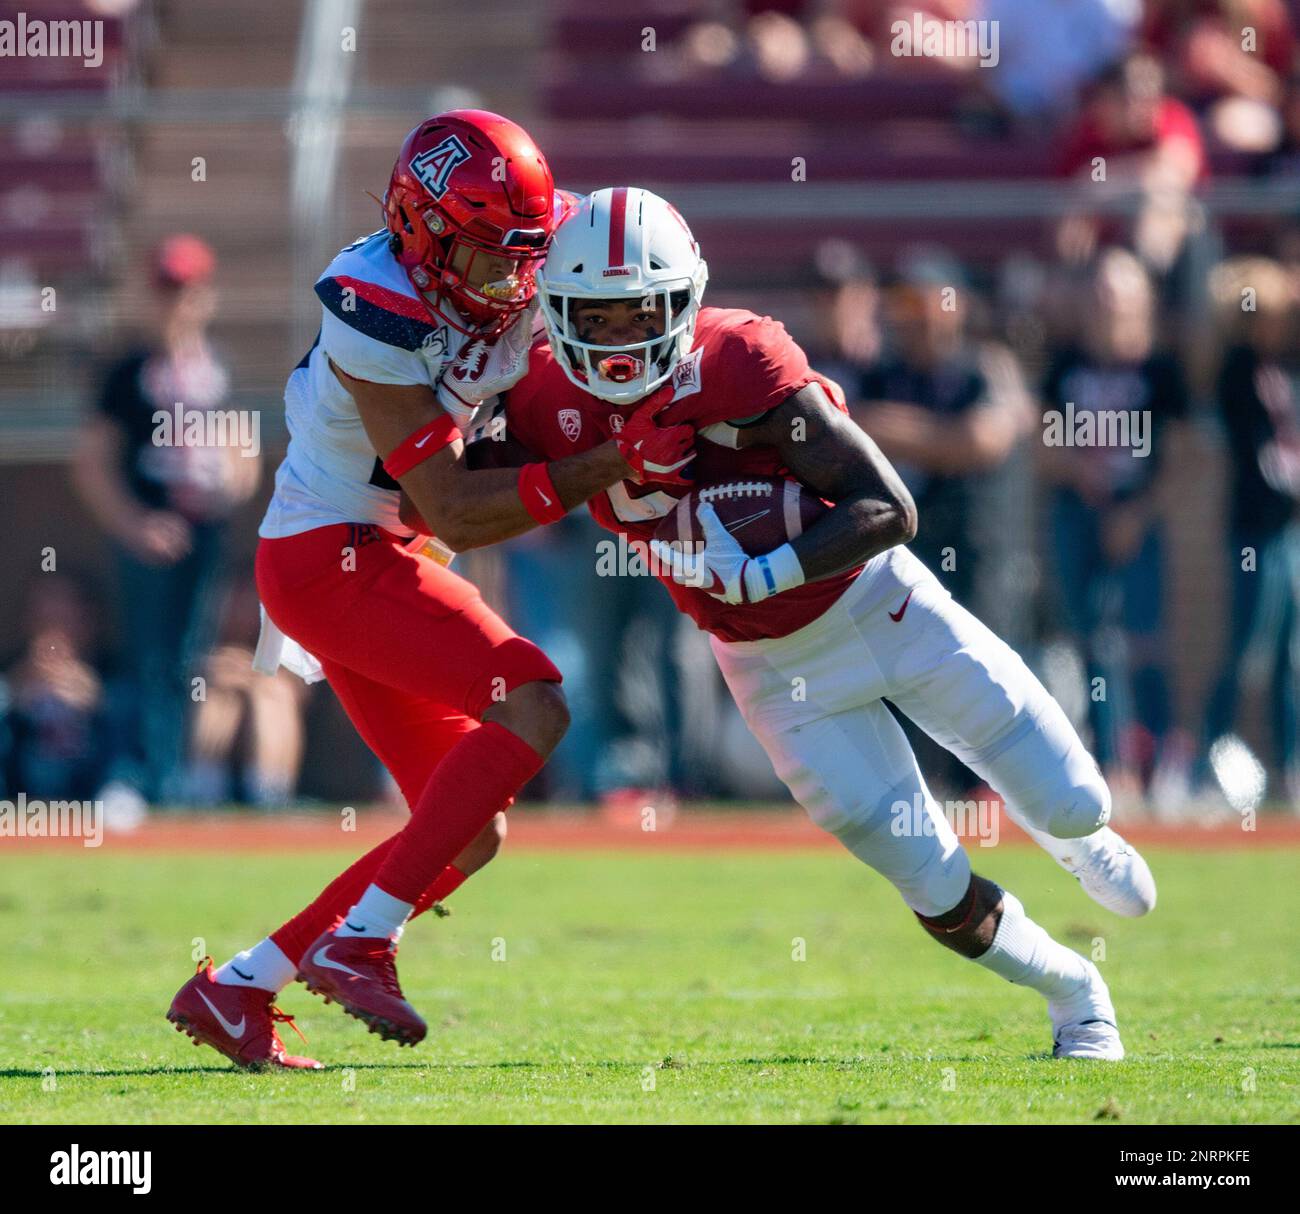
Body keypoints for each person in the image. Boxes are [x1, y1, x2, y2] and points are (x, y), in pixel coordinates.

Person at [491, 188, 1156, 1058]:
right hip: (770, 670)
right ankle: (1075, 991)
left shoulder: (738, 360)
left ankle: (1074, 839)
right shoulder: (539, 396)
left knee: (1074, 800)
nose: (617, 342)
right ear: (557, 314)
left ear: (681, 301)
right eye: (595, 318)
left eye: (637, 314)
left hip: (882, 604)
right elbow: (467, 501)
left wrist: (764, 568)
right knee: (930, 881)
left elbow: (890, 505)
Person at [165, 116, 693, 1069]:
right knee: (534, 702)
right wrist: (612, 457)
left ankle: (238, 987)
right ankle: (360, 942)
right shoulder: (376, 301)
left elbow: (617, 265)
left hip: (378, 553)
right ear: (422, 230)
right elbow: (452, 507)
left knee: (467, 833)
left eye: (520, 259)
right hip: (335, 556)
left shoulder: (535, 249)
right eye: (488, 261)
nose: (513, 283)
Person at [71, 235, 258, 804]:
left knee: (189, 658)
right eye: (167, 289)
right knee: (148, 656)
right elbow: (94, 461)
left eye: (187, 289)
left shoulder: (217, 369)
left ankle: (175, 781)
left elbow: (241, 450)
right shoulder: (127, 371)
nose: (177, 301)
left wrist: (231, 487)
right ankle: (139, 776)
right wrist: (134, 525)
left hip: (203, 530)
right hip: (148, 532)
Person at [1040, 248, 1190, 803]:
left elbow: (1179, 458)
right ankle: (1112, 762)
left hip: (1138, 513)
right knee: (1092, 640)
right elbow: (1044, 444)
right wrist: (1083, 473)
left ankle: (1162, 761)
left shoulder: (1159, 370)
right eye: (1099, 295)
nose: (1107, 307)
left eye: (1118, 296)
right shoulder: (1067, 366)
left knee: (1145, 639)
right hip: (1080, 511)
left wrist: (1136, 513)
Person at [1200, 256, 1300, 806]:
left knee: (1288, 657)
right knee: (1249, 652)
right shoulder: (1238, 371)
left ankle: (1289, 771)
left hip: (1284, 532)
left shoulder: (1277, 369)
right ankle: (1209, 758)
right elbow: (1265, 461)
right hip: (1255, 533)